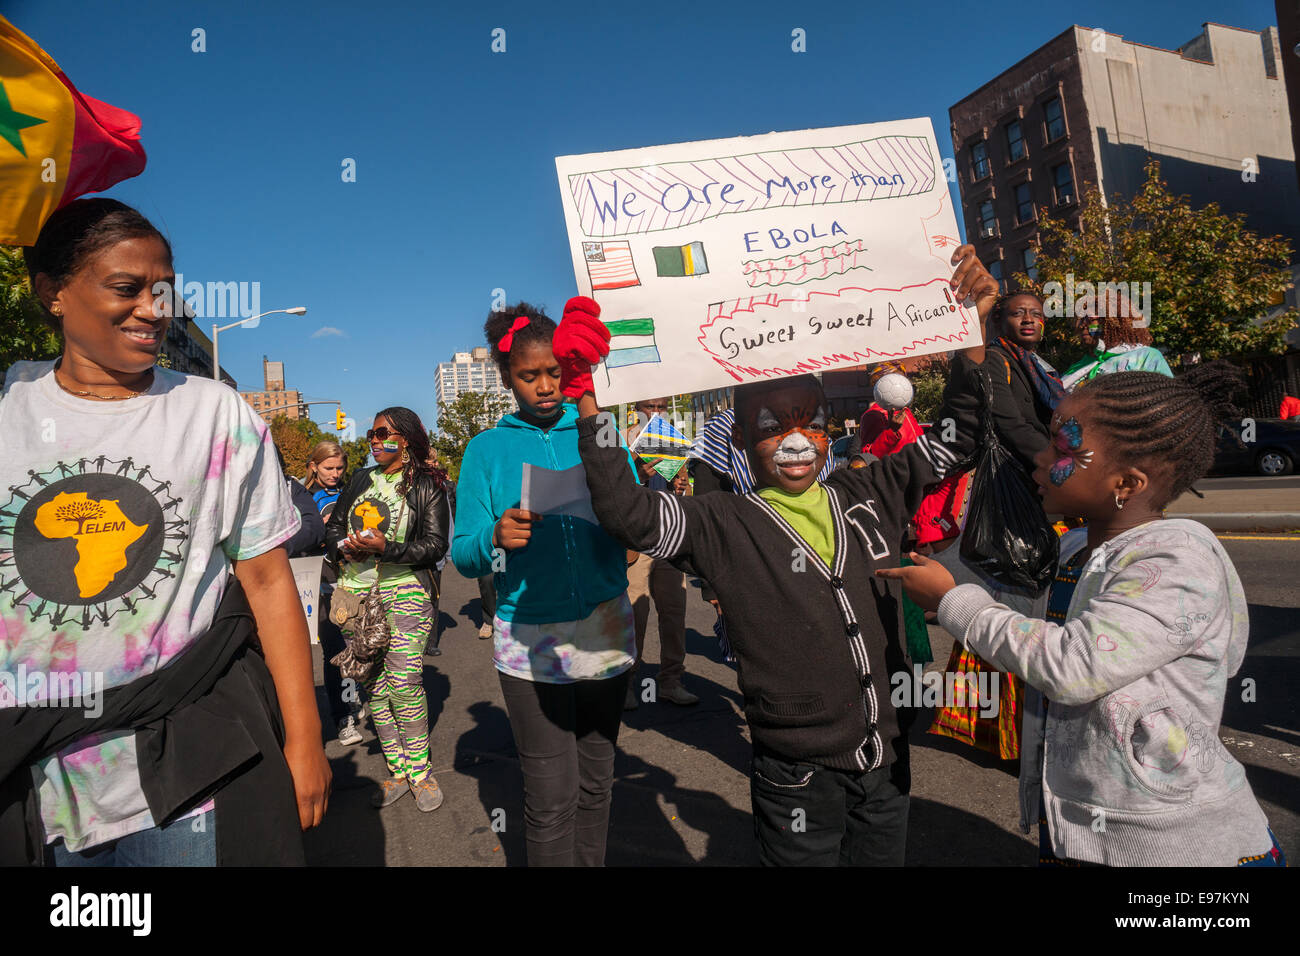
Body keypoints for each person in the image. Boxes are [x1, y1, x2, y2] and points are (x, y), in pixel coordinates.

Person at [562, 244, 1001, 866]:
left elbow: (957, 439)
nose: (798, 438)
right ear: (741, 436)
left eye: (812, 420)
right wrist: (588, 401)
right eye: (773, 423)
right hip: (797, 778)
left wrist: (971, 330)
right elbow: (627, 513)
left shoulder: (869, 487)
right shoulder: (720, 521)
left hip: (889, 763)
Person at [0, 198, 330, 866]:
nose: (154, 309)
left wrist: (305, 740)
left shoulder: (215, 415)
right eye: (127, 289)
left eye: (163, 292)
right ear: (53, 292)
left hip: (189, 763)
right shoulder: (9, 409)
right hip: (33, 775)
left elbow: (267, 584)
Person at [881, 364, 1286, 867]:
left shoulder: (1176, 559)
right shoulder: (1073, 548)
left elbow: (1074, 668)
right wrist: (973, 353)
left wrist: (953, 603)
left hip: (1179, 848)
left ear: (1127, 482)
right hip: (1080, 832)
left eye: (1063, 451)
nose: (1043, 458)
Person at [450, 302, 637, 866]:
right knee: (551, 796)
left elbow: (634, 517)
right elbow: (461, 555)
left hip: (605, 626)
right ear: (508, 378)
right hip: (529, 640)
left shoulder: (598, 430)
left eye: (555, 372)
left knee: (598, 781)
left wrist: (622, 523)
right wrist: (494, 537)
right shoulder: (485, 450)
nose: (546, 386)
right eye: (530, 376)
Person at [325, 408, 449, 812]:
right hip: (354, 594)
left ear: (406, 439)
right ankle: (396, 769)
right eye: (371, 436)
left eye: (383, 434)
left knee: (404, 683)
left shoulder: (428, 484)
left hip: (405, 590)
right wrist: (343, 546)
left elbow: (435, 546)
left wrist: (385, 549)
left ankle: (420, 772)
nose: (375, 442)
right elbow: (334, 526)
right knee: (373, 685)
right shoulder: (361, 479)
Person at [624, 396, 698, 709]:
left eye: (661, 406)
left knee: (673, 611)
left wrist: (682, 485)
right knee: (634, 612)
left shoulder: (672, 436)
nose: (655, 412)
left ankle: (670, 681)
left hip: (669, 535)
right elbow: (613, 491)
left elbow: (688, 489)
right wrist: (639, 474)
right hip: (638, 539)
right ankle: (627, 683)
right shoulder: (622, 437)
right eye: (649, 407)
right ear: (635, 407)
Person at [303, 440, 363, 745]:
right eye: (328, 468)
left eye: (340, 468)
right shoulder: (304, 498)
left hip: (353, 580)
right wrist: (320, 530)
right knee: (335, 653)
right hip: (322, 583)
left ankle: (352, 698)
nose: (335, 473)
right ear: (314, 466)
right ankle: (343, 718)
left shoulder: (349, 491)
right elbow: (296, 540)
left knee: (356, 648)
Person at [1061, 290, 1172, 390]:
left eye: (1089, 319)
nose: (1081, 326)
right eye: (1080, 320)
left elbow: (1169, 399)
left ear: (1111, 323)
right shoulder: (1080, 365)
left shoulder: (1147, 357)